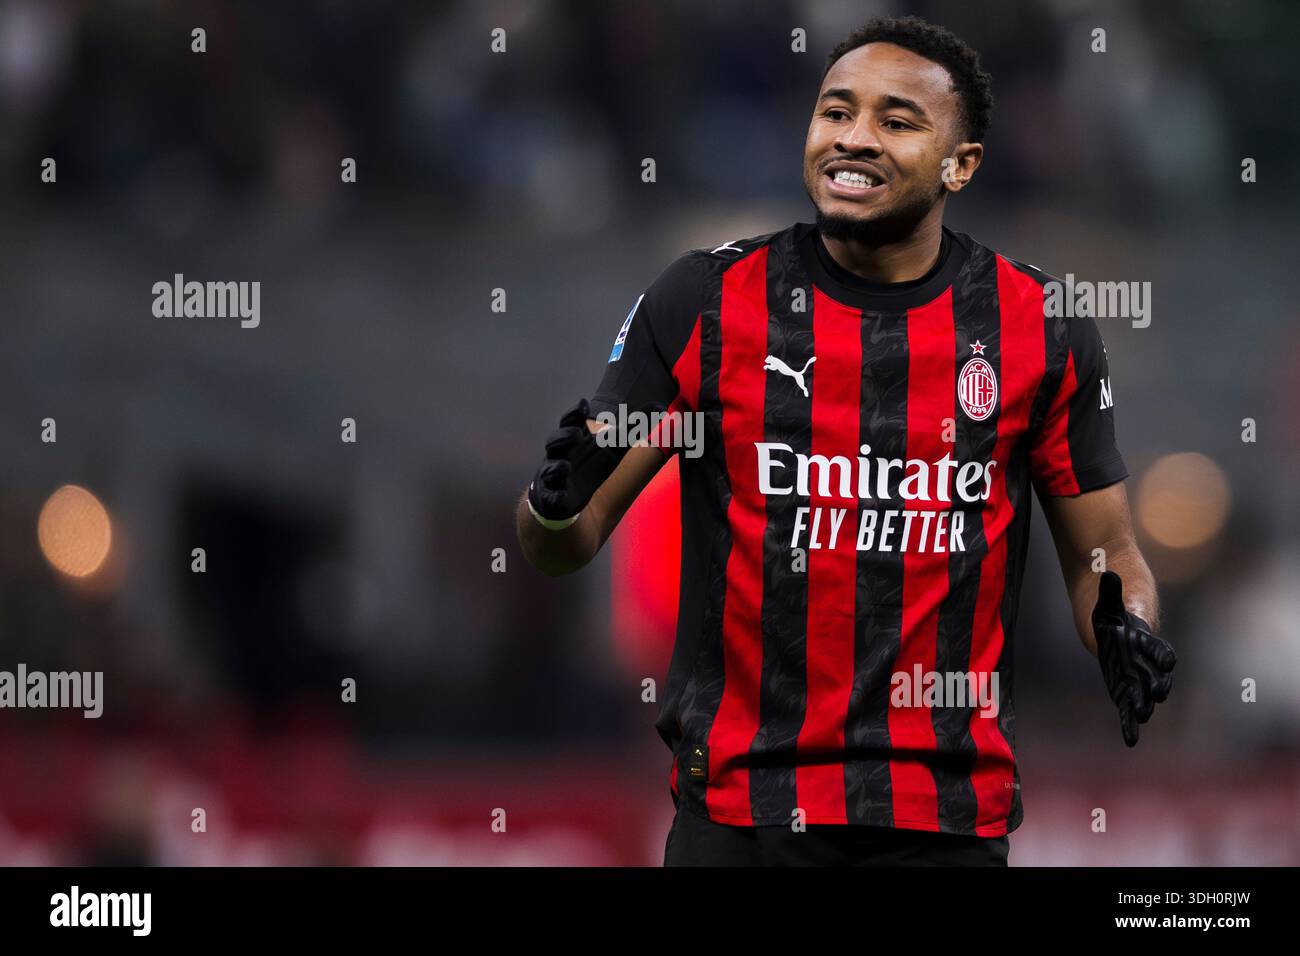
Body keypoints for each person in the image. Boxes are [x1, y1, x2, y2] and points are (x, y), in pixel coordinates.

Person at [515, 15, 1174, 866]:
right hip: (740, 819)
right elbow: (561, 545)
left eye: (897, 122)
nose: (854, 139)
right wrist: (551, 505)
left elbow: (1107, 555)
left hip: (941, 824)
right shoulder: (702, 303)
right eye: (835, 112)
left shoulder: (1039, 328)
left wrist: (1128, 622)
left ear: (960, 164)